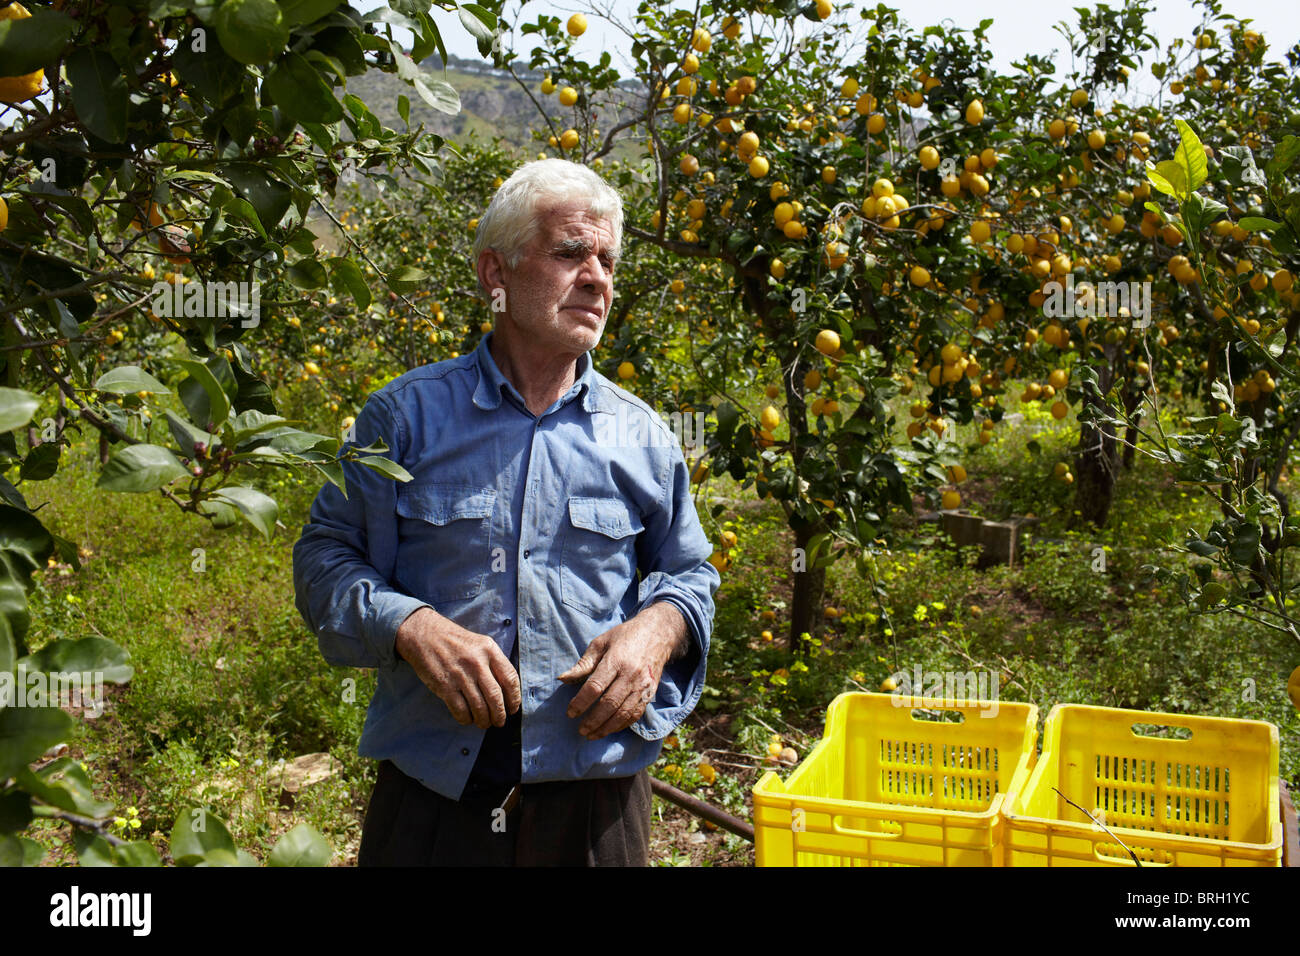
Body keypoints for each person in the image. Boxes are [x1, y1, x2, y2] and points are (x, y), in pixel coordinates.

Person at [292, 158, 720, 866]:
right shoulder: (404, 417)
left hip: (595, 791)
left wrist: (657, 630)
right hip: (435, 792)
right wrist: (409, 624)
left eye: (608, 261)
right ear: (498, 273)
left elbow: (690, 572)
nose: (598, 278)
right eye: (571, 253)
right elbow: (324, 557)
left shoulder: (640, 434)